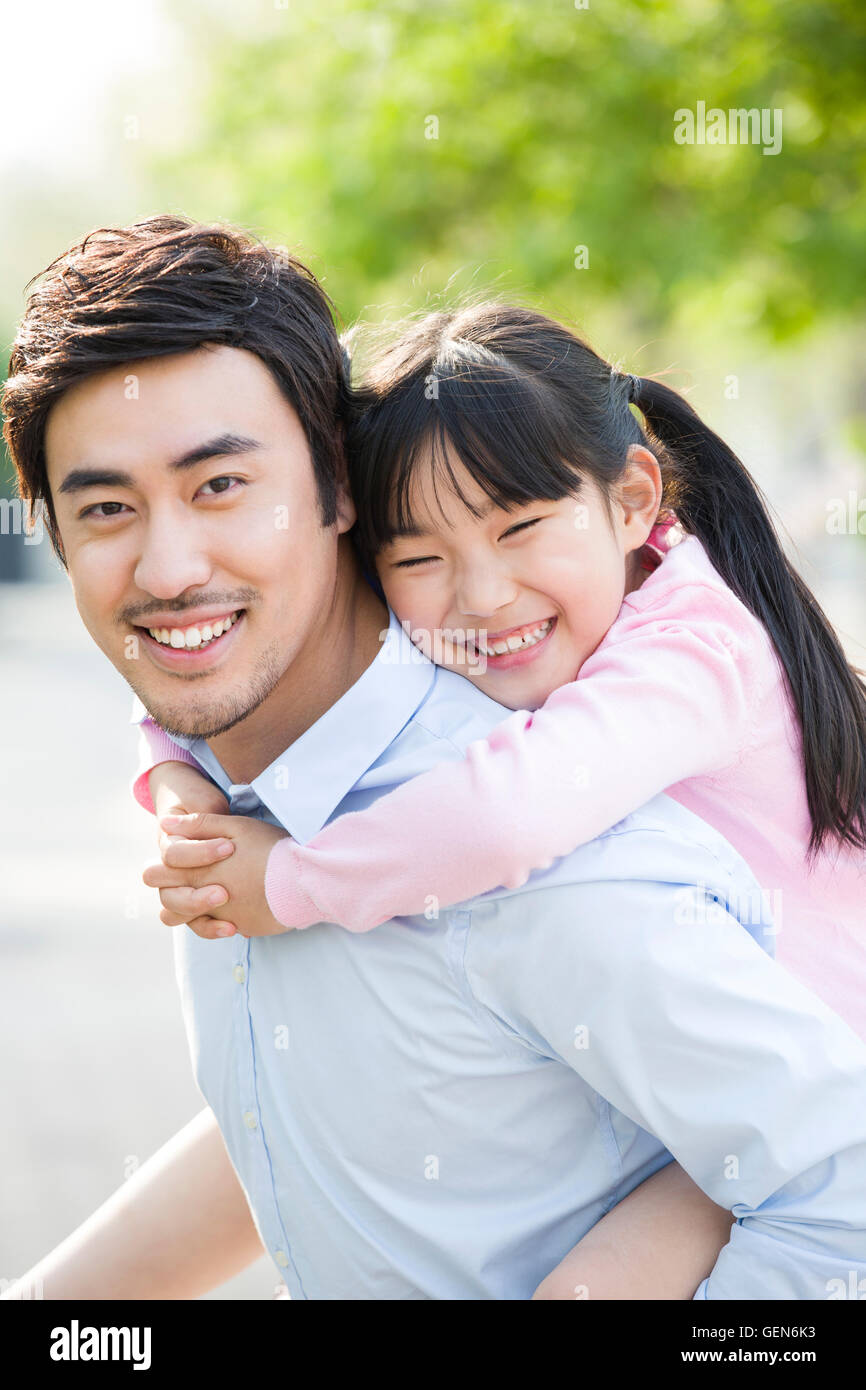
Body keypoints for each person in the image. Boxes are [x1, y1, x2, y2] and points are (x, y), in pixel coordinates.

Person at [3, 216, 866, 1302]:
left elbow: (843, 1204)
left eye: (221, 485)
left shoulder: (544, 842)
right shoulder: (238, 797)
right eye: (106, 507)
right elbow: (318, 1114)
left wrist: (291, 882)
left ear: (336, 487)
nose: (169, 567)